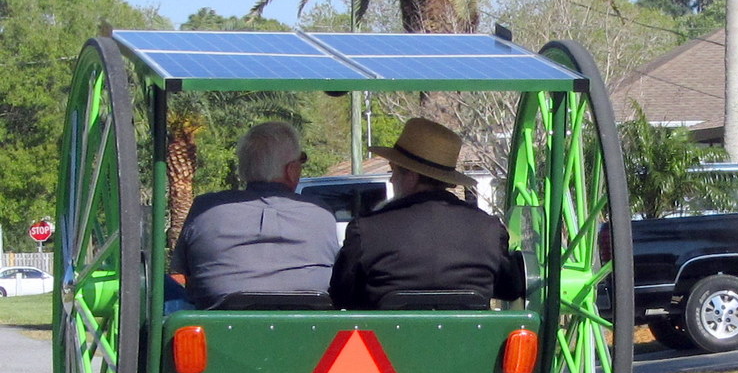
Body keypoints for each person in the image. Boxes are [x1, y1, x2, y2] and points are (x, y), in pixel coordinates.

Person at [329, 117, 522, 309]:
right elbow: (510, 289)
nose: (392, 180)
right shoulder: (489, 229)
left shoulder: (367, 229)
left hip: (390, 330)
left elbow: (341, 296)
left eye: (393, 171)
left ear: (412, 177)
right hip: (472, 330)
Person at [171, 121, 339, 309]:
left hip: (220, 321)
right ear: (290, 170)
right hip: (308, 321)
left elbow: (184, 274)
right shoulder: (320, 213)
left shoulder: (206, 208)